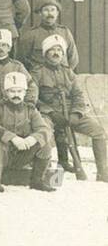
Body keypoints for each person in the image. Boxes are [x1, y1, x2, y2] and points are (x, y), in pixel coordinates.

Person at [32, 34, 106, 182]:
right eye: (52, 50)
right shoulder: (37, 73)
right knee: (45, 134)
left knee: (99, 131)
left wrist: (76, 113)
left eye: (59, 50)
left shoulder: (69, 72)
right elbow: (33, 99)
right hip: (48, 114)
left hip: (71, 113)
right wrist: (51, 113)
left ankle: (103, 173)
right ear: (46, 53)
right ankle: (47, 176)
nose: (56, 53)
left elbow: (78, 95)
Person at [0, 72, 55, 193]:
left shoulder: (31, 110)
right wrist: (13, 138)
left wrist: (32, 139)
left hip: (22, 153)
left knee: (45, 144)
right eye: (12, 91)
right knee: (1, 143)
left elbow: (44, 129)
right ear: (5, 93)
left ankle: (37, 181)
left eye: (19, 91)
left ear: (25, 93)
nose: (16, 95)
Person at [16, 0, 79, 71]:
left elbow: (73, 58)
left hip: (62, 77)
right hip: (40, 79)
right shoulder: (31, 34)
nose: (50, 14)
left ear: (57, 13)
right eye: (46, 10)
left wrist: (66, 74)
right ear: (40, 13)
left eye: (53, 10)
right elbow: (20, 59)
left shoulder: (65, 32)